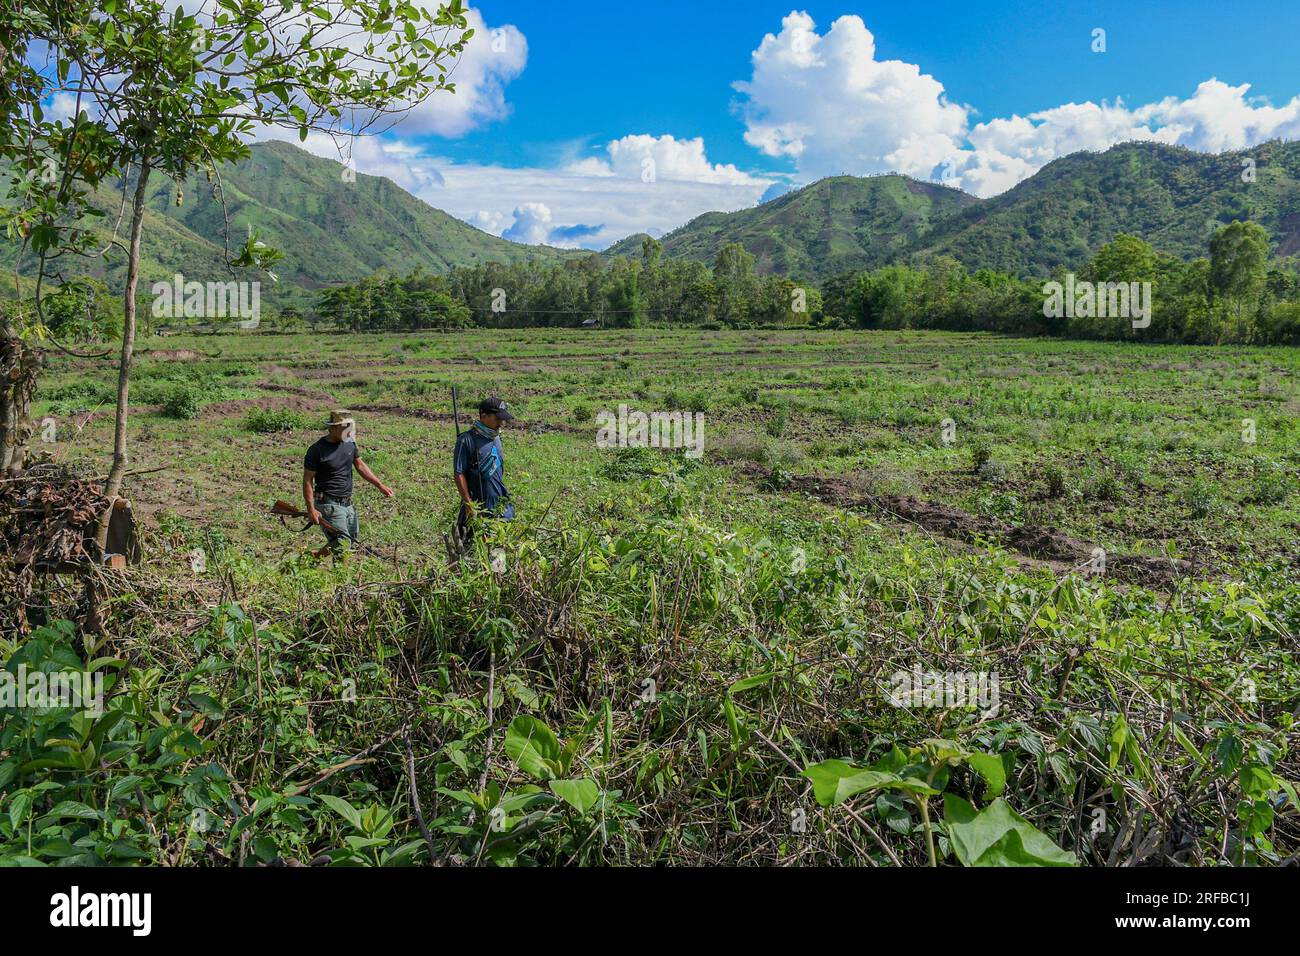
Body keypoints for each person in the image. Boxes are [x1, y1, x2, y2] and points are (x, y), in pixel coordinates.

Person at [303, 409, 393, 557]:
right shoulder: (316, 450)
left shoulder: (349, 443)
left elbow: (360, 465)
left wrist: (380, 485)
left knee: (349, 540)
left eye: (350, 427)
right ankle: (340, 578)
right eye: (344, 427)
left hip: (347, 502)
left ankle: (314, 556)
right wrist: (311, 509)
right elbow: (307, 480)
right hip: (327, 503)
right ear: (332, 428)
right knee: (342, 542)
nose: (349, 431)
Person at [453, 396, 515, 549]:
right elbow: (458, 473)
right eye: (497, 418)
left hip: (499, 510)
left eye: (502, 419)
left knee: (498, 559)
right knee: (471, 557)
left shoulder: (496, 438)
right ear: (484, 416)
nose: (501, 423)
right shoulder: (466, 440)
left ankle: (496, 573)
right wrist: (469, 505)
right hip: (478, 509)